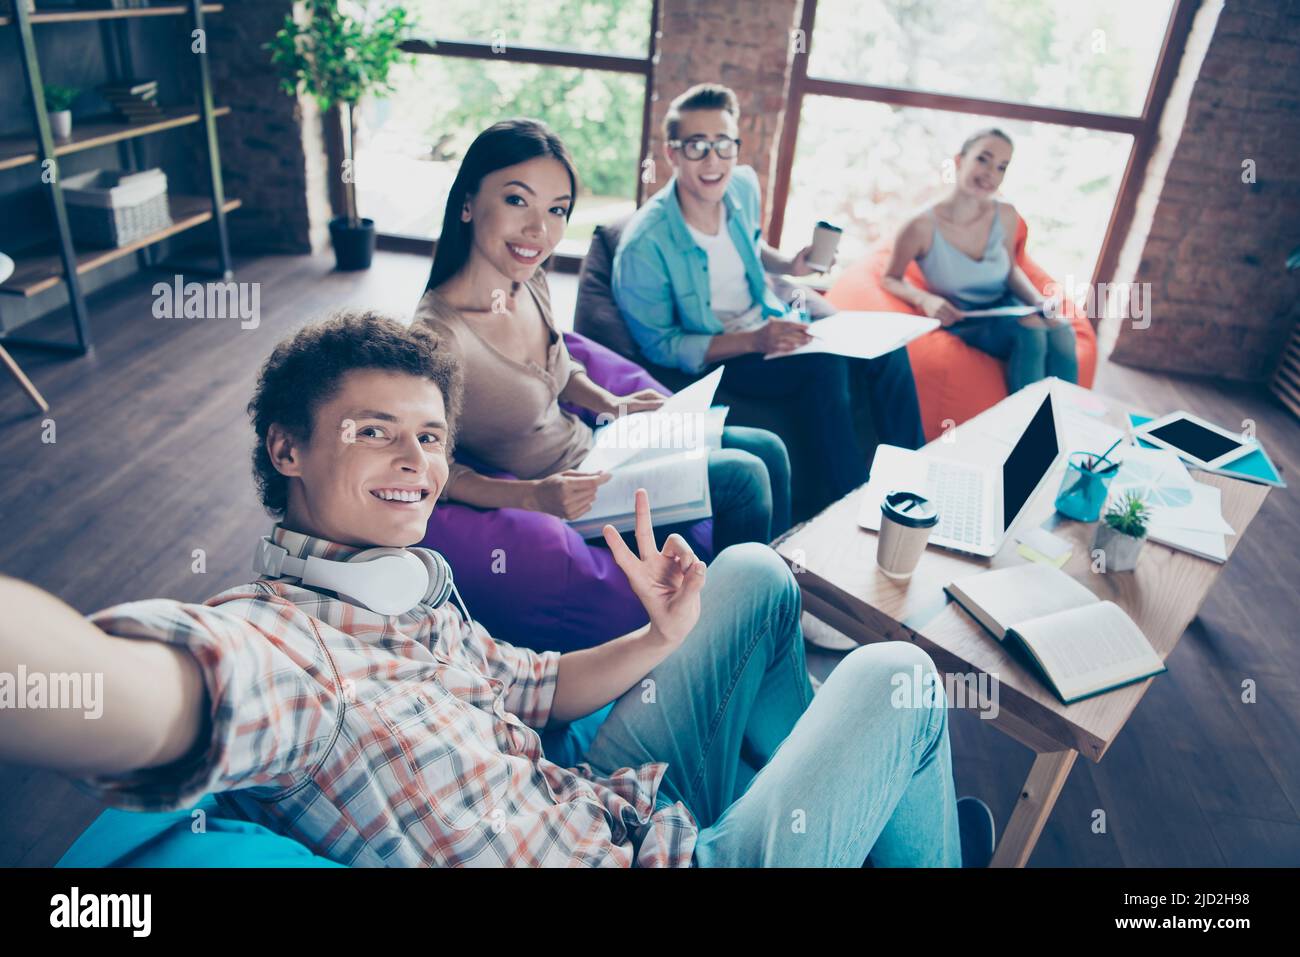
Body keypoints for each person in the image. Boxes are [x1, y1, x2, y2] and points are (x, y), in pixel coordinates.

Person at [0, 311, 988, 867]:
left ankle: (849, 811)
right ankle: (883, 813)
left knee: (751, 575)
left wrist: (657, 632)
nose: (414, 461)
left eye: (429, 436)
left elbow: (531, 686)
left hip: (604, 807)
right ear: (286, 447)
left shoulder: (408, 587)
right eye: (372, 429)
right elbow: (111, 692)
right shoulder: (283, 651)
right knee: (897, 680)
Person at [417, 118, 792, 551]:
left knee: (768, 447)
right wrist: (534, 496)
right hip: (571, 499)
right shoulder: (438, 337)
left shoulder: (529, 279)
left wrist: (615, 405)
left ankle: (775, 591)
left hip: (600, 448)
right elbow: (437, 472)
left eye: (557, 209)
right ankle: (738, 607)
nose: (539, 230)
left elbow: (562, 368)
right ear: (467, 203)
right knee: (743, 478)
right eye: (517, 200)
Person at [612, 83, 926, 504]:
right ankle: (849, 502)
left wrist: (788, 266)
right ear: (672, 153)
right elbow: (662, 347)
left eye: (723, 145)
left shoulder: (740, 186)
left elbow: (749, 246)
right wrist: (756, 340)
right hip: (726, 354)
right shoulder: (644, 246)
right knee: (824, 368)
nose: (713, 161)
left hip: (771, 321)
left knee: (889, 349)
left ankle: (914, 484)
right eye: (697, 147)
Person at [883, 127, 1078, 394]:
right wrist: (925, 299)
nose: (990, 174)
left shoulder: (1007, 214)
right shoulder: (920, 226)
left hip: (1008, 306)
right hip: (964, 317)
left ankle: (1071, 420)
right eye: (982, 159)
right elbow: (889, 278)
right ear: (959, 160)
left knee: (1063, 331)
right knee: (1030, 333)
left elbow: (1010, 268)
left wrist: (1036, 300)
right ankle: (1032, 427)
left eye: (1001, 167)